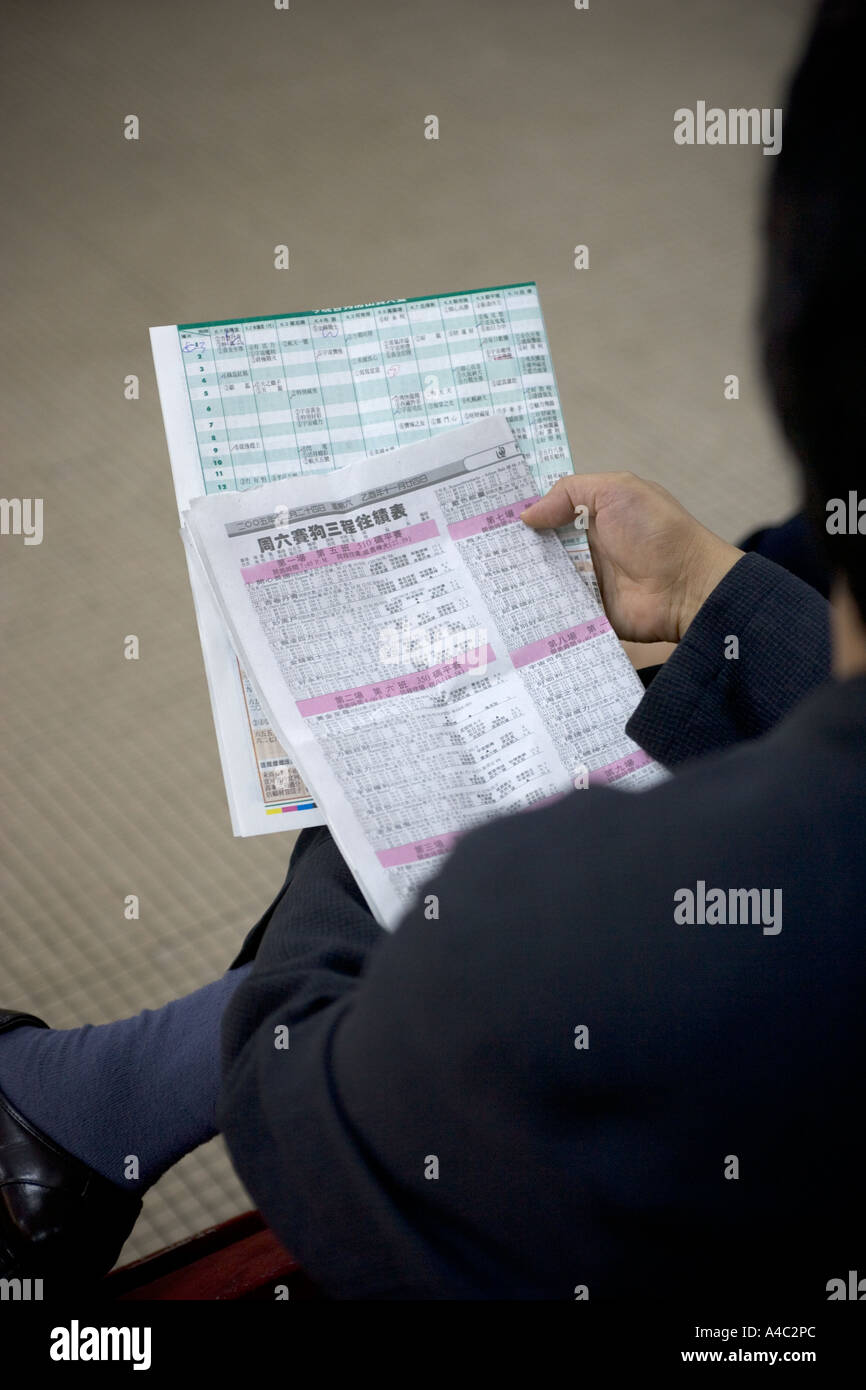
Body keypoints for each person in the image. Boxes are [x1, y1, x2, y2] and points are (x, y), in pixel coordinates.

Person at [1, 0, 863, 1298]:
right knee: (767, 580)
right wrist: (720, 590)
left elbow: (318, 1118)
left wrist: (364, 760)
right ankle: (64, 1119)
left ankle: (62, 1124)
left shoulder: (587, 917)